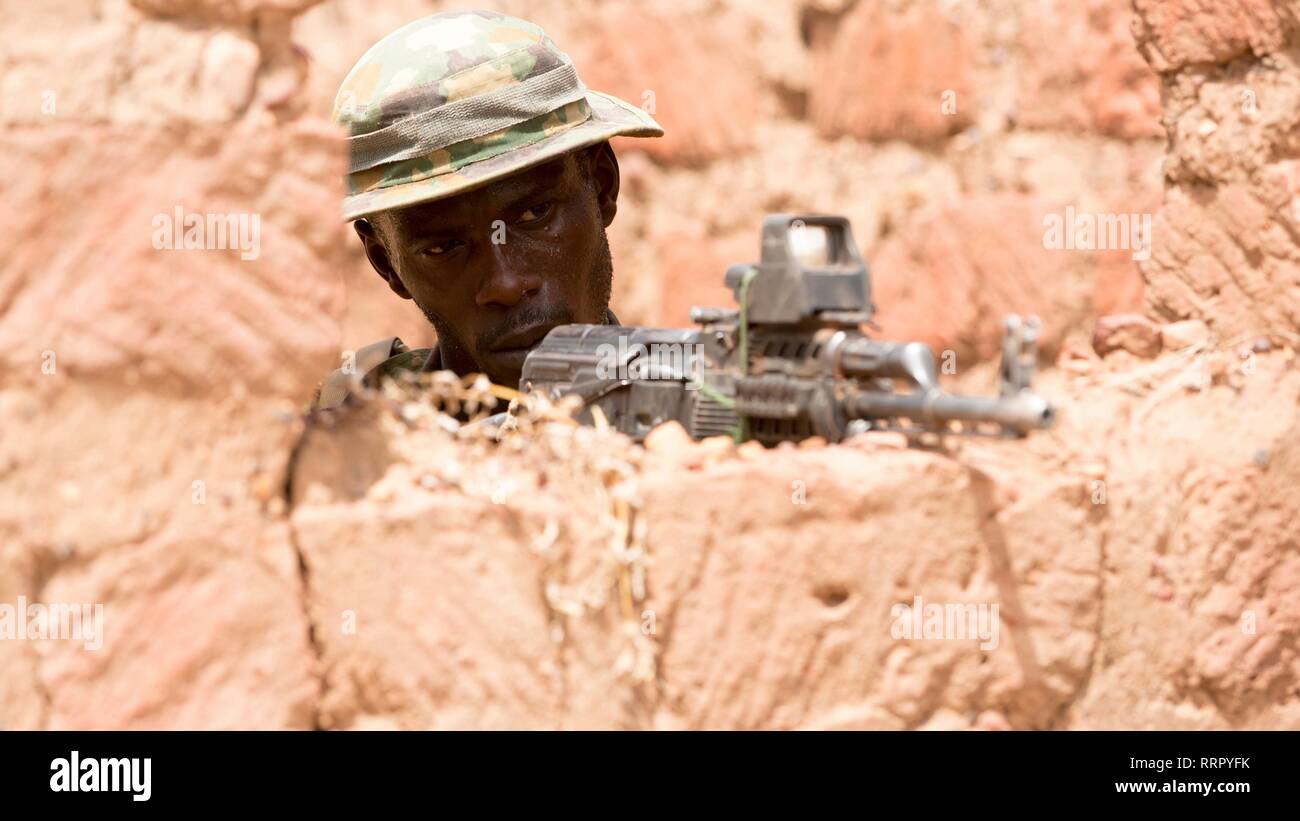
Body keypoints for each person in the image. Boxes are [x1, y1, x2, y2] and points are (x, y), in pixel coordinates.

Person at [313, 10, 663, 410]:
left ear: (602, 186)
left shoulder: (708, 430)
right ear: (386, 263)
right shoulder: (342, 436)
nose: (506, 284)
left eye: (536, 215)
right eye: (444, 247)